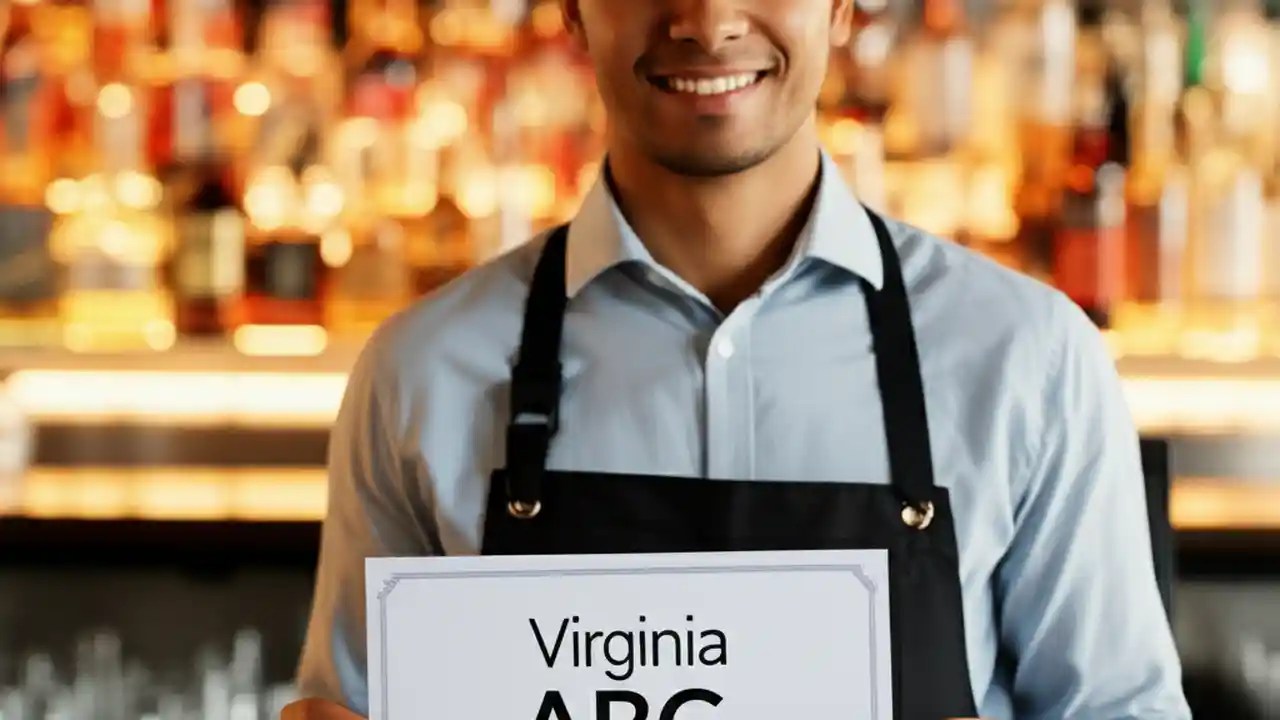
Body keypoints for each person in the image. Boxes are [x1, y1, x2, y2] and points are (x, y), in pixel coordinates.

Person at [295, 0, 1192, 717]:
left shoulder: (1028, 359)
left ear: (845, 8)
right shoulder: (419, 374)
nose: (708, 18)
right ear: (568, 12)